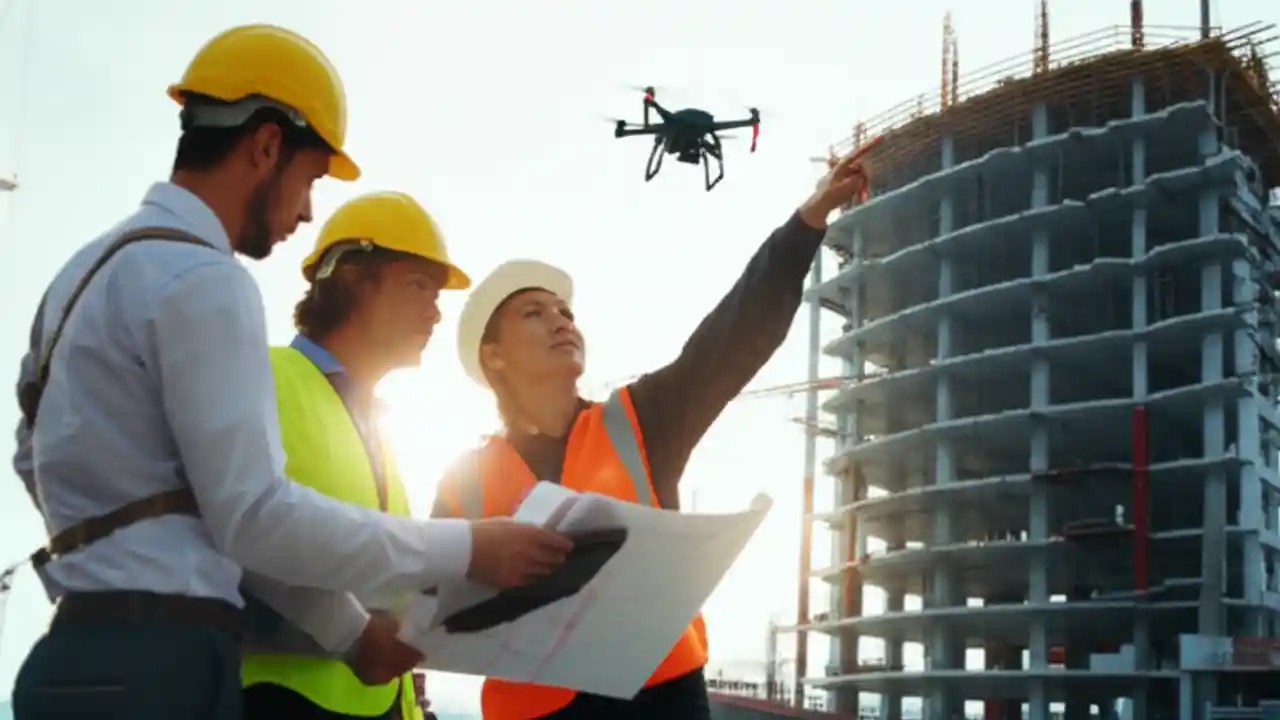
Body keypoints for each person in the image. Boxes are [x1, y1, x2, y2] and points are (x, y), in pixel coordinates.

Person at [10, 24, 571, 720]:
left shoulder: (76, 278)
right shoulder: (205, 279)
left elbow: (34, 459)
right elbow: (254, 518)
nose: (306, 211)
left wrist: (349, 634)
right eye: (307, 178)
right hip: (168, 668)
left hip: (69, 657)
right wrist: (468, 548)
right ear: (266, 145)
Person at [431, 151, 872, 720]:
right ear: (493, 356)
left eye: (566, 310)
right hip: (534, 711)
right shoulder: (464, 482)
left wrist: (809, 218)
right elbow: (428, 608)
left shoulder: (639, 420)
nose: (563, 320)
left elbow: (734, 334)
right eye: (534, 314)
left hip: (661, 699)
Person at [239, 190, 468, 719]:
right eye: (418, 286)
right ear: (350, 279)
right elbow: (230, 543)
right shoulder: (261, 374)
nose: (435, 310)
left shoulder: (382, 431)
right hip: (275, 700)